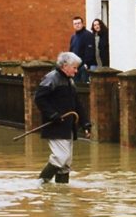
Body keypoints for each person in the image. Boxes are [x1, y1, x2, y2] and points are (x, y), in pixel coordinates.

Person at [33, 52, 92, 184]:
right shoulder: (51, 78)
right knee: (61, 157)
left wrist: (86, 123)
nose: (76, 71)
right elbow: (39, 99)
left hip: (68, 126)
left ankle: (61, 193)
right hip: (54, 126)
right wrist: (52, 115)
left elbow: (77, 104)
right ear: (65, 66)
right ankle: (41, 183)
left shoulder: (70, 81)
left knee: (66, 163)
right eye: (75, 68)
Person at [69, 16, 95, 83]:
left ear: (82, 24)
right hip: (75, 67)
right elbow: (71, 51)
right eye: (75, 24)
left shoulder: (88, 35)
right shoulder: (73, 37)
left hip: (84, 67)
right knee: (76, 87)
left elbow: (90, 51)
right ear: (73, 25)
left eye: (79, 23)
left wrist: (86, 64)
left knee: (84, 87)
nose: (77, 25)